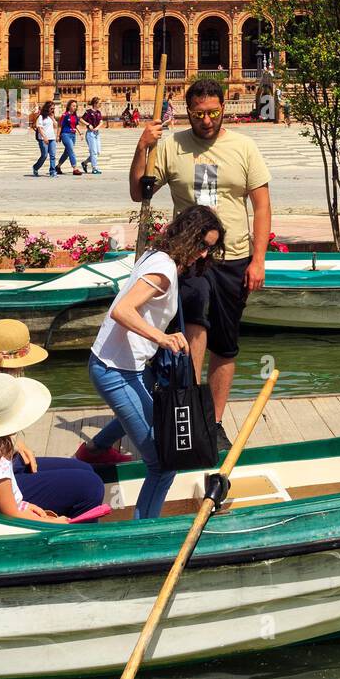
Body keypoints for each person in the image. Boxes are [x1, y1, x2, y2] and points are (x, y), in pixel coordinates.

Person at [130, 78, 271, 428]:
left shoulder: (244, 147)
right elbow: (138, 193)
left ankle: (215, 422)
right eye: (198, 114)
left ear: (224, 108)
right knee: (192, 331)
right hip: (189, 260)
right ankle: (188, 413)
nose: (206, 121)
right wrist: (142, 147)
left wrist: (258, 260)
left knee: (224, 344)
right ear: (187, 112)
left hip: (233, 258)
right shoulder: (171, 146)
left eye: (213, 113)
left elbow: (262, 206)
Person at [86, 206, 225, 521]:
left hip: (124, 367)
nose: (204, 255)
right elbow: (122, 310)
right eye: (202, 245)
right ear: (188, 237)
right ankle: (144, 530)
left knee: (151, 413)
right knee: (164, 461)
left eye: (210, 248)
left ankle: (94, 450)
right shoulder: (162, 271)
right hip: (115, 371)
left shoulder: (156, 256)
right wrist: (161, 339)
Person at [0, 318, 106, 515]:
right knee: (89, 486)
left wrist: (16, 444)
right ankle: (66, 537)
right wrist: (18, 507)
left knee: (84, 469)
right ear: (12, 367)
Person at [0, 374, 82, 525]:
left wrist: (25, 505)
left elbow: (3, 503)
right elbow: (11, 514)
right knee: (87, 487)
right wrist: (54, 523)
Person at [56, 99, 84, 176]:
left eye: (76, 106)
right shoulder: (64, 115)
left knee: (67, 152)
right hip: (65, 134)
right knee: (71, 150)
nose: (75, 107)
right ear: (69, 106)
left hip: (73, 135)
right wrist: (58, 136)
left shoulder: (74, 116)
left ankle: (58, 167)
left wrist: (80, 133)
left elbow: (76, 125)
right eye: (73, 106)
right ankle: (75, 168)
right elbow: (60, 126)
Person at [31, 100, 58, 177]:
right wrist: (44, 137)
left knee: (53, 155)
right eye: (51, 109)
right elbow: (39, 128)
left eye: (54, 109)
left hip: (52, 138)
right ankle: (35, 167)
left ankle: (52, 171)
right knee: (44, 155)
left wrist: (53, 118)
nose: (53, 110)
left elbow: (56, 126)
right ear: (47, 108)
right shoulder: (41, 116)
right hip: (43, 138)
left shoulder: (51, 117)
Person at [80, 97, 104, 174]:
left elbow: (101, 122)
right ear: (95, 104)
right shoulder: (88, 112)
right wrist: (88, 124)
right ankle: (94, 168)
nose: (100, 105)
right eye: (99, 103)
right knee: (93, 151)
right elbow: (81, 119)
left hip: (97, 133)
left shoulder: (98, 112)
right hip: (90, 134)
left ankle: (85, 163)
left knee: (98, 152)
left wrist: (97, 128)